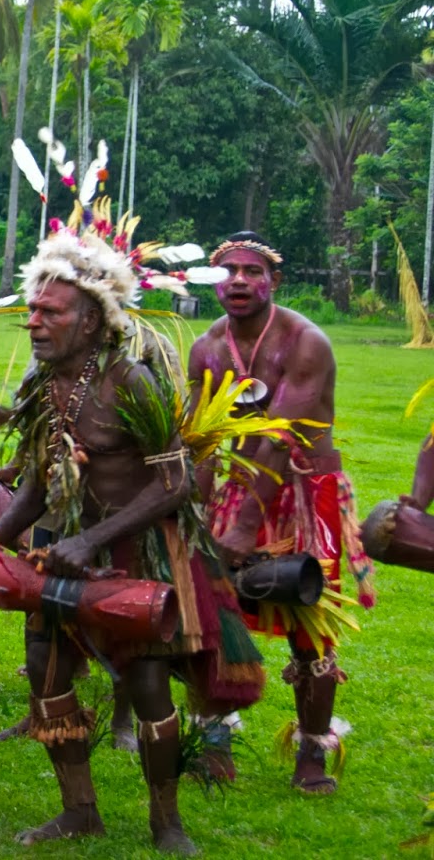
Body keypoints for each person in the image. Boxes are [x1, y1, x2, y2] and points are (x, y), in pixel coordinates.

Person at [0, 214, 264, 857]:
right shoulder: (43, 386)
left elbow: (177, 483)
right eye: (32, 310)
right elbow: (35, 477)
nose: (34, 322)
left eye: (50, 312)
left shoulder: (130, 382)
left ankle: (168, 822)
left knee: (147, 686)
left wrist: (93, 539)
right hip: (71, 550)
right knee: (43, 672)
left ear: (90, 321)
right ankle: (80, 811)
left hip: (142, 553)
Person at [189, 231, 373, 794]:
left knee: (309, 625)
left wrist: (247, 526)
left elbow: (280, 434)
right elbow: (200, 442)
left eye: (251, 271)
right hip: (236, 487)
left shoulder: (304, 342)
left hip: (302, 492)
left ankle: (313, 752)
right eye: (227, 271)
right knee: (211, 615)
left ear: (274, 281)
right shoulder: (207, 348)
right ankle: (214, 737)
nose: (239, 281)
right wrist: (193, 512)